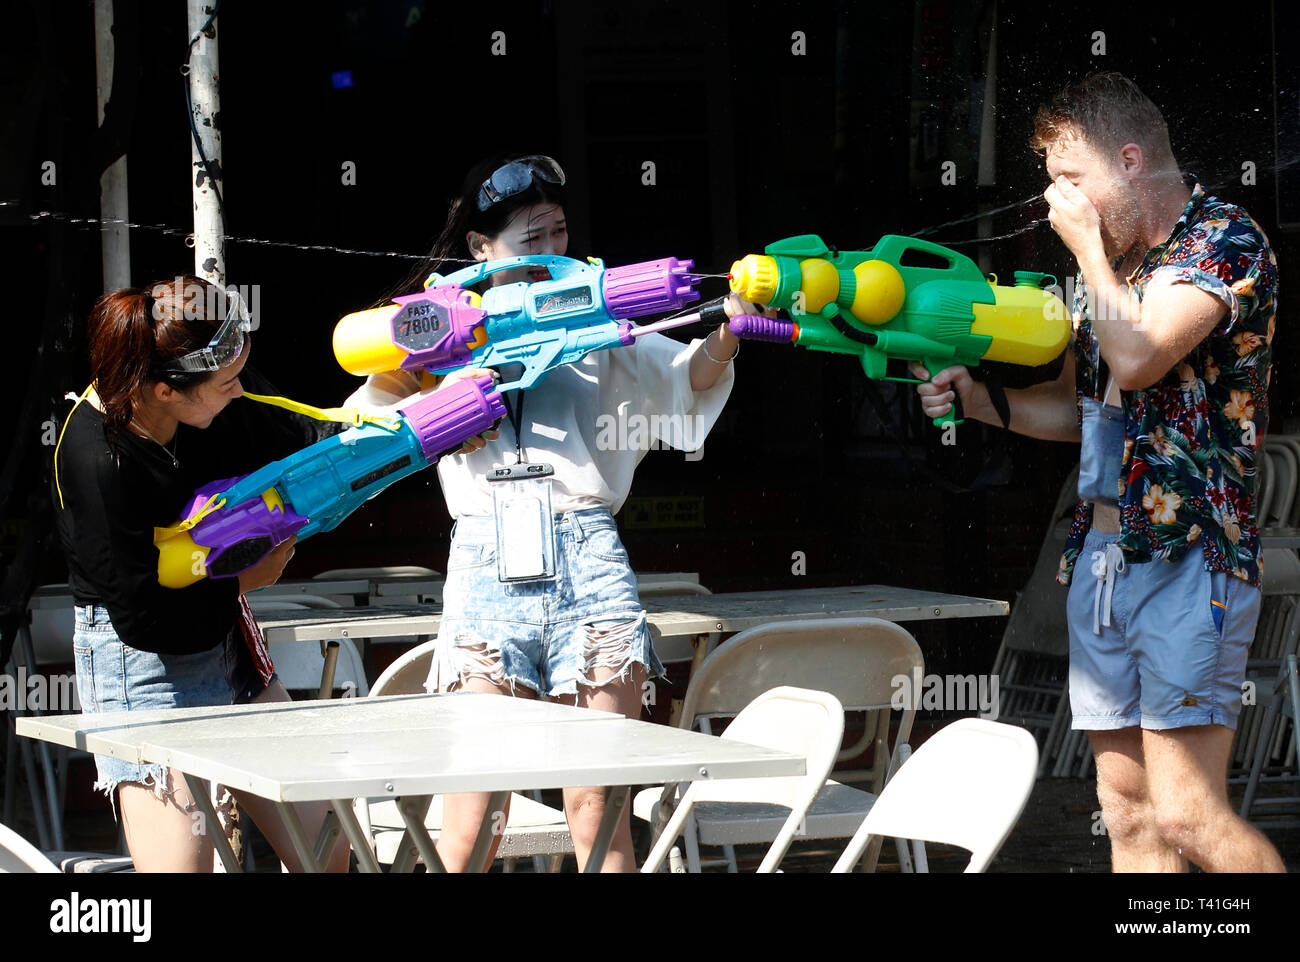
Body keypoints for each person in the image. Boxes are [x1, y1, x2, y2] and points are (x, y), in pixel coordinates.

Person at [913, 73, 1283, 872]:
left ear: (1129, 159)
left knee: (1189, 816)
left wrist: (1086, 251)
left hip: (1189, 561)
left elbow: (1141, 357)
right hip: (1103, 563)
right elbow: (1083, 407)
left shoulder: (1223, 239)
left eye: (1069, 181)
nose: (1056, 203)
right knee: (1128, 814)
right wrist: (982, 402)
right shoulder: (1114, 271)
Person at [347, 153, 750, 871]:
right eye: (531, 240)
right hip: (483, 559)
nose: (551, 252)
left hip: (588, 559)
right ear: (481, 248)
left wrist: (728, 333)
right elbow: (367, 420)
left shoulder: (597, 314)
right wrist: (439, 412)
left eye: (559, 234)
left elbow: (681, 380)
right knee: (475, 805)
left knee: (596, 804)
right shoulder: (438, 328)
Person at [53, 275, 353, 872]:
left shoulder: (202, 393)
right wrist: (246, 579)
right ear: (165, 391)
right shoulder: (98, 458)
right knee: (183, 868)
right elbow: (142, 617)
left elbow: (309, 431)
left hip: (223, 635)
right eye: (226, 383)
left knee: (328, 849)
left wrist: (414, 423)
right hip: (143, 658)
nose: (240, 390)